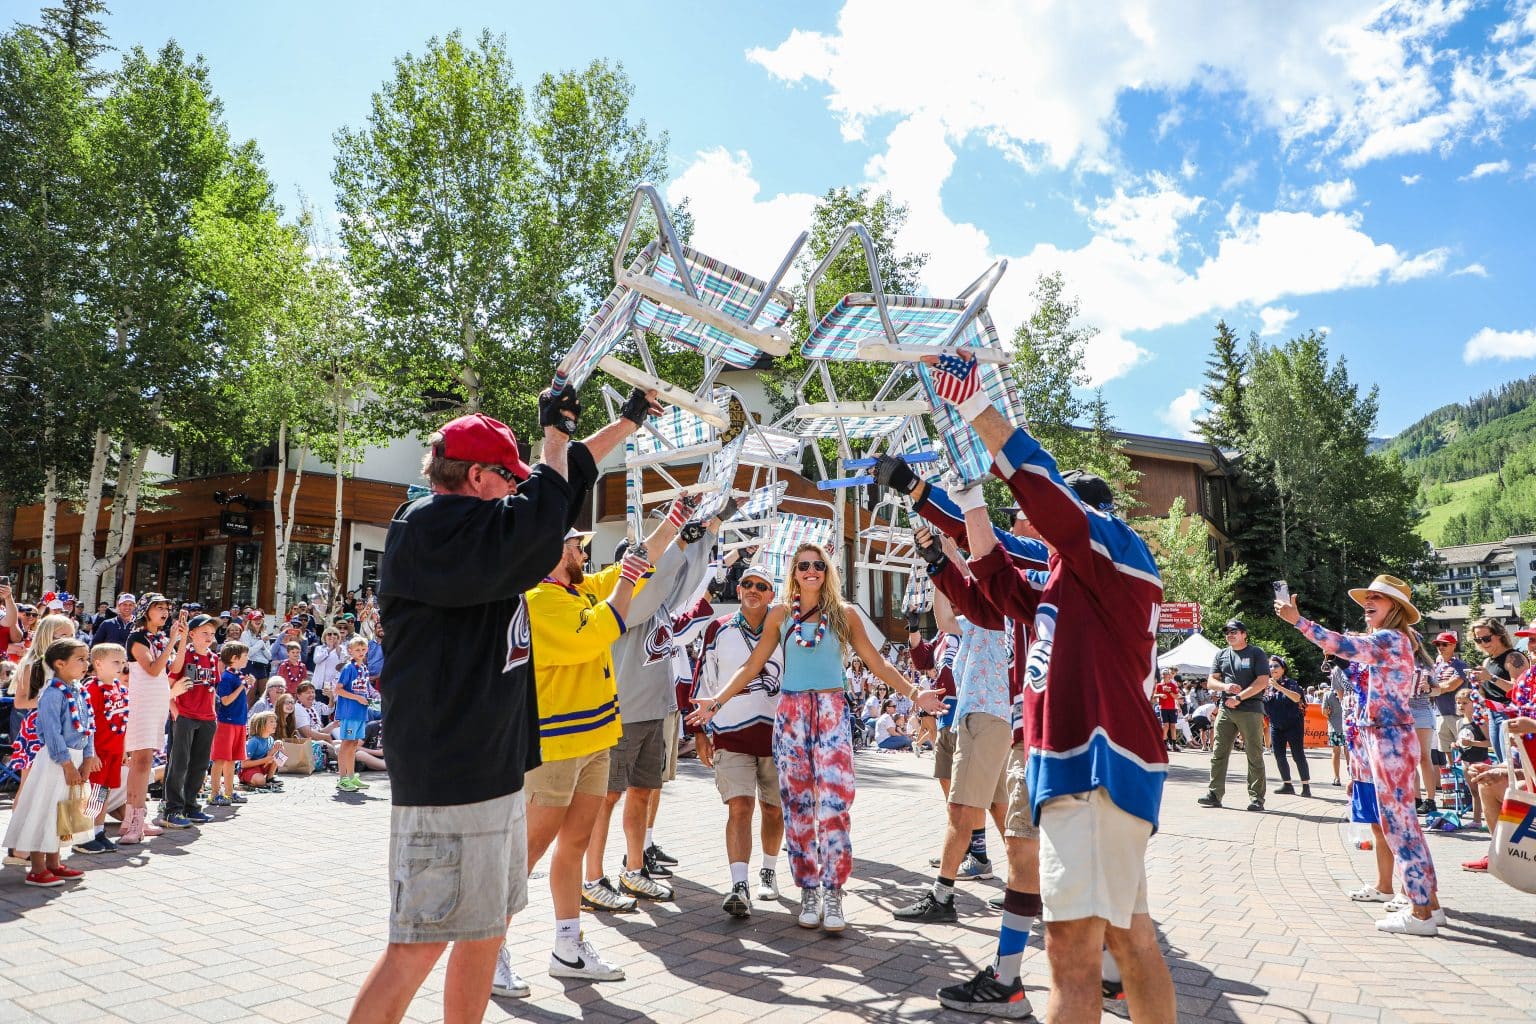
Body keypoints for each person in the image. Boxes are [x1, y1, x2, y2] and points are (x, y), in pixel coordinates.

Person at [348, 386, 652, 1024]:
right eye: (506, 478)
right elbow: (544, 504)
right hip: (450, 775)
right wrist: (554, 439)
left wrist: (622, 424)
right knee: (418, 945)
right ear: (476, 475)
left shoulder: (478, 527)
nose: (516, 488)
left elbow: (560, 483)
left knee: (484, 931)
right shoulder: (430, 526)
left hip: (492, 769)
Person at [924, 353, 1176, 1022]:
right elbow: (1000, 586)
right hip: (1084, 771)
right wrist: (966, 502)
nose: (1031, 525)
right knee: (1129, 937)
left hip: (1094, 767)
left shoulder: (1113, 549)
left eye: (1044, 517)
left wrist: (975, 406)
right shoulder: (1076, 581)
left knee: (1072, 951)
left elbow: (1044, 492)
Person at [688, 542, 944, 935]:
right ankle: (808, 890)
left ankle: (834, 891)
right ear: (794, 572)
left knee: (836, 805)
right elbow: (753, 665)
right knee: (798, 807)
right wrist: (717, 701)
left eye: (818, 565)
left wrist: (915, 693)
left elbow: (877, 663)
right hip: (791, 716)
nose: (811, 571)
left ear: (827, 572)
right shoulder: (780, 614)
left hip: (831, 712)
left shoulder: (845, 614)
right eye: (804, 565)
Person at [511, 518, 663, 981]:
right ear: (554, 551)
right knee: (528, 852)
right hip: (557, 744)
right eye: (577, 546)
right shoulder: (538, 599)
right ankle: (489, 950)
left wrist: (679, 522)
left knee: (575, 844)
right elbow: (601, 629)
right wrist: (630, 574)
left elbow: (637, 565)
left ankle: (567, 946)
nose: (583, 553)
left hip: (595, 737)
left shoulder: (576, 588)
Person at [1277, 574, 1443, 935]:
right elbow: (1356, 668)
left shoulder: (1390, 638)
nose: (1368, 602)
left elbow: (1341, 643)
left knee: (1398, 824)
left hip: (1389, 737)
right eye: (1368, 597)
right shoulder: (1393, 639)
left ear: (1395, 607)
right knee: (1403, 823)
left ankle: (1421, 913)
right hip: (1386, 735)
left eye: (1377, 598)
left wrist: (1298, 621)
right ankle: (1429, 904)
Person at [587, 508, 717, 903]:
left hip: (653, 712)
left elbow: (686, 579)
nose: (652, 568)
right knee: (607, 798)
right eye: (645, 561)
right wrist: (678, 540)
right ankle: (592, 880)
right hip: (622, 713)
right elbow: (661, 581)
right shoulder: (620, 601)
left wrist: (709, 532)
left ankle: (633, 871)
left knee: (642, 792)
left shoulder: (658, 601)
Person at [690, 563, 787, 918]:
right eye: (748, 584)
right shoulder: (719, 628)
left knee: (773, 809)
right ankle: (739, 885)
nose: (753, 590)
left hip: (778, 735)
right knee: (740, 807)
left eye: (762, 586)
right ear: (739, 588)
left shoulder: (785, 629)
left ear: (771, 594)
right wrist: (699, 731)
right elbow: (704, 678)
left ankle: (768, 871)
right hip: (731, 732)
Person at [5, 637, 100, 886]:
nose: (86, 664)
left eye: (87, 659)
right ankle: (37, 868)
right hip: (55, 761)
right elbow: (51, 732)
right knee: (44, 810)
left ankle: (54, 863)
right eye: (80, 659)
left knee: (63, 811)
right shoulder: (52, 693)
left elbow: (89, 726)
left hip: (76, 757)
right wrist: (67, 764)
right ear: (60, 663)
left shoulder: (80, 690)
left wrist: (88, 757)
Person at [120, 595, 188, 844]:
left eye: (167, 608)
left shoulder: (159, 639)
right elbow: (153, 669)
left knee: (144, 763)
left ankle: (134, 819)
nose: (165, 611)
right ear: (146, 611)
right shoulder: (137, 638)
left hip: (157, 703)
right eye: (159, 607)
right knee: (140, 763)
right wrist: (171, 640)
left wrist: (181, 639)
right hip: (142, 704)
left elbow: (175, 668)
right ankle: (134, 822)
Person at [1199, 619, 1271, 812]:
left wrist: (1239, 697)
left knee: (1254, 754)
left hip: (1250, 709)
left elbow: (1263, 681)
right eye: (1227, 632)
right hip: (1226, 709)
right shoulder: (1221, 654)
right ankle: (1214, 794)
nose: (1229, 635)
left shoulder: (1256, 653)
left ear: (1244, 634)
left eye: (1234, 631)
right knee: (1218, 752)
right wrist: (1226, 687)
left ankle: (1256, 798)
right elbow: (1211, 681)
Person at [160, 613, 221, 829]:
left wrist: (212, 714)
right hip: (185, 715)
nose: (209, 637)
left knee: (200, 764)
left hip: (207, 717)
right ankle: (172, 809)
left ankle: (191, 805)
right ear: (192, 634)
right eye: (204, 632)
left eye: (212, 633)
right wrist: (175, 711)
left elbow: (212, 688)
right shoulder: (184, 655)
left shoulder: (213, 658)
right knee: (179, 763)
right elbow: (169, 682)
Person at [74, 643, 129, 855]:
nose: (121, 666)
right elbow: (87, 724)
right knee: (93, 793)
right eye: (115, 662)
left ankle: (98, 830)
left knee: (103, 793)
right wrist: (92, 754)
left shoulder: (119, 688)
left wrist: (123, 750)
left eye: (123, 662)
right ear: (98, 663)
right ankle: (84, 834)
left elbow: (122, 721)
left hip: (114, 751)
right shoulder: (92, 689)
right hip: (99, 752)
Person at [210, 642, 256, 808]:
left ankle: (229, 792)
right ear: (234, 658)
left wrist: (247, 686)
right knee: (220, 759)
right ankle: (214, 794)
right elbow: (225, 700)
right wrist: (242, 686)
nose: (247, 658)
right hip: (226, 722)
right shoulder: (226, 677)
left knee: (232, 760)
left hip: (239, 721)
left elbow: (239, 696)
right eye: (245, 656)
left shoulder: (238, 675)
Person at [1428, 631, 1469, 810]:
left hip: (1458, 715)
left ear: (1453, 645)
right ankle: (1452, 794)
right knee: (1447, 756)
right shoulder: (1435, 666)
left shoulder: (1460, 665)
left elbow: (1451, 686)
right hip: (1440, 714)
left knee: (1464, 754)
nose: (1441, 648)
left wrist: (1431, 689)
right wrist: (1432, 689)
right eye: (1438, 644)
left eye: (1444, 644)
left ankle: (1468, 793)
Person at [1263, 655, 1311, 797]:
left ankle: (1306, 786)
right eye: (1270, 666)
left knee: (1298, 755)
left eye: (1276, 666)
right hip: (1276, 725)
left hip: (1293, 724)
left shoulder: (1290, 683)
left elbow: (1297, 698)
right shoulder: (1266, 686)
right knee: (1279, 755)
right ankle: (1287, 784)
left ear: (1283, 669)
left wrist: (1278, 687)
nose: (1272, 668)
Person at [334, 636, 375, 793]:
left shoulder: (364, 668)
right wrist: (357, 698)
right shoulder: (348, 668)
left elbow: (364, 690)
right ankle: (342, 778)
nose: (361, 652)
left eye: (363, 649)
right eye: (357, 650)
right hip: (349, 712)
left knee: (353, 744)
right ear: (350, 651)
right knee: (346, 744)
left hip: (360, 713)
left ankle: (351, 776)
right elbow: (338, 689)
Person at [240, 712, 281, 790]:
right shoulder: (253, 741)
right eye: (271, 721)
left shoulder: (270, 739)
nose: (275, 724)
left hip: (261, 767)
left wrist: (277, 746)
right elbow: (244, 764)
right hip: (248, 769)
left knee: (279, 754)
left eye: (275, 721)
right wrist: (265, 760)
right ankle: (250, 780)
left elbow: (269, 756)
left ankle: (269, 778)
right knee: (261, 781)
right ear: (261, 725)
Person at [1321, 678, 1346, 786]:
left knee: (1336, 752)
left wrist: (1330, 716)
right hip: (1348, 726)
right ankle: (1352, 777)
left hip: (1334, 726)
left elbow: (1324, 712)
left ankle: (1337, 778)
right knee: (1349, 752)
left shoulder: (1327, 694)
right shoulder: (1347, 692)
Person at [1153, 668, 1182, 751]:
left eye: (1166, 675)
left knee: (1173, 726)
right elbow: (1154, 696)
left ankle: (1174, 745)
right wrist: (1160, 695)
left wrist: (1170, 692)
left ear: (1169, 676)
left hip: (1172, 708)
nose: (1164, 676)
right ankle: (1164, 744)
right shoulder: (1159, 685)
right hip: (1163, 708)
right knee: (1165, 726)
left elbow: (1176, 697)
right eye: (1163, 675)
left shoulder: (1173, 685)